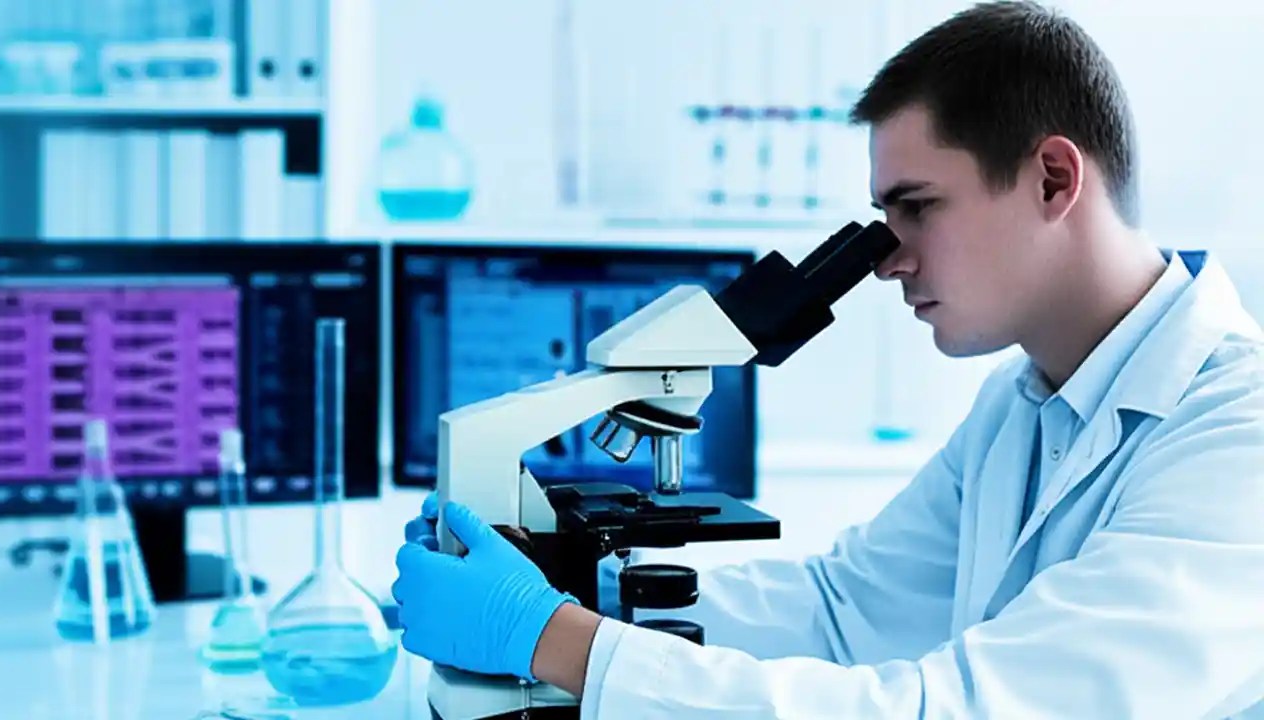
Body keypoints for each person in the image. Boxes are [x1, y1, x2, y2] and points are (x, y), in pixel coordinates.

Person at [391, 2, 1264, 717]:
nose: (886, 258)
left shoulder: (1239, 432)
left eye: (915, 208)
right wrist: (575, 589)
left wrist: (551, 638)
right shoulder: (1025, 404)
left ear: (1051, 180)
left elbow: (964, 710)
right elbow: (845, 613)